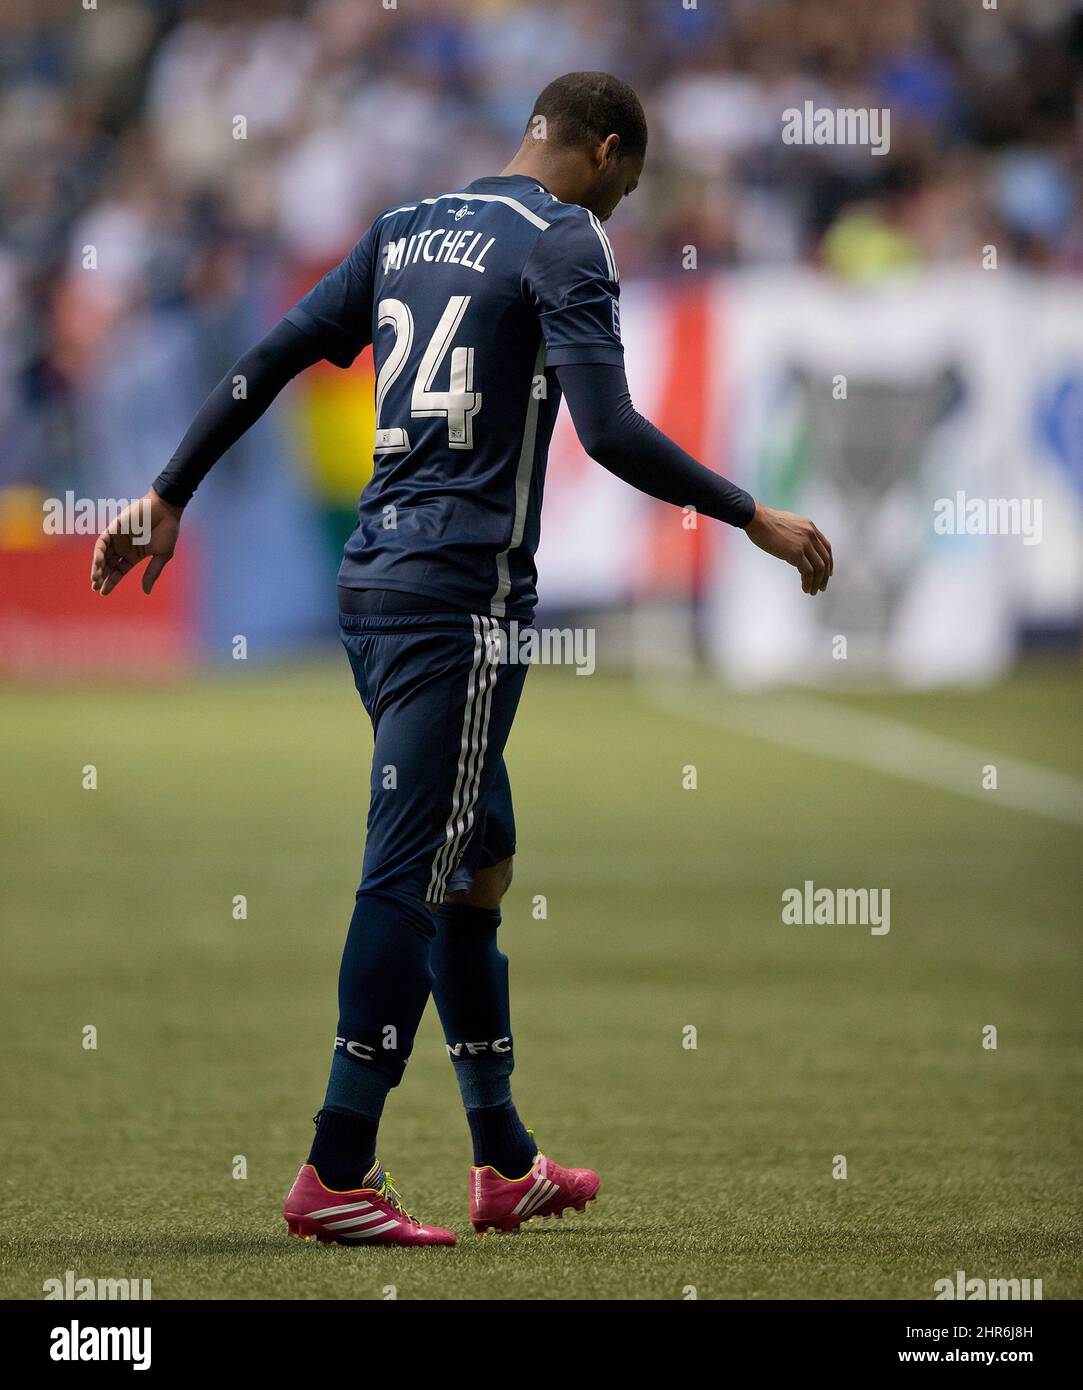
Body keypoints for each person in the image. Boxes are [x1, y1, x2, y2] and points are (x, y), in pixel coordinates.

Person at [91, 72, 832, 1246]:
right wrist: (753, 516)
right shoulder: (566, 238)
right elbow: (609, 430)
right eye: (628, 184)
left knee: (477, 856)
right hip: (460, 597)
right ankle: (338, 1167)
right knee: (413, 872)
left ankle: (504, 1161)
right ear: (603, 150)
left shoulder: (405, 227)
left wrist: (169, 490)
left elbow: (268, 356)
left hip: (374, 582)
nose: (621, 208)